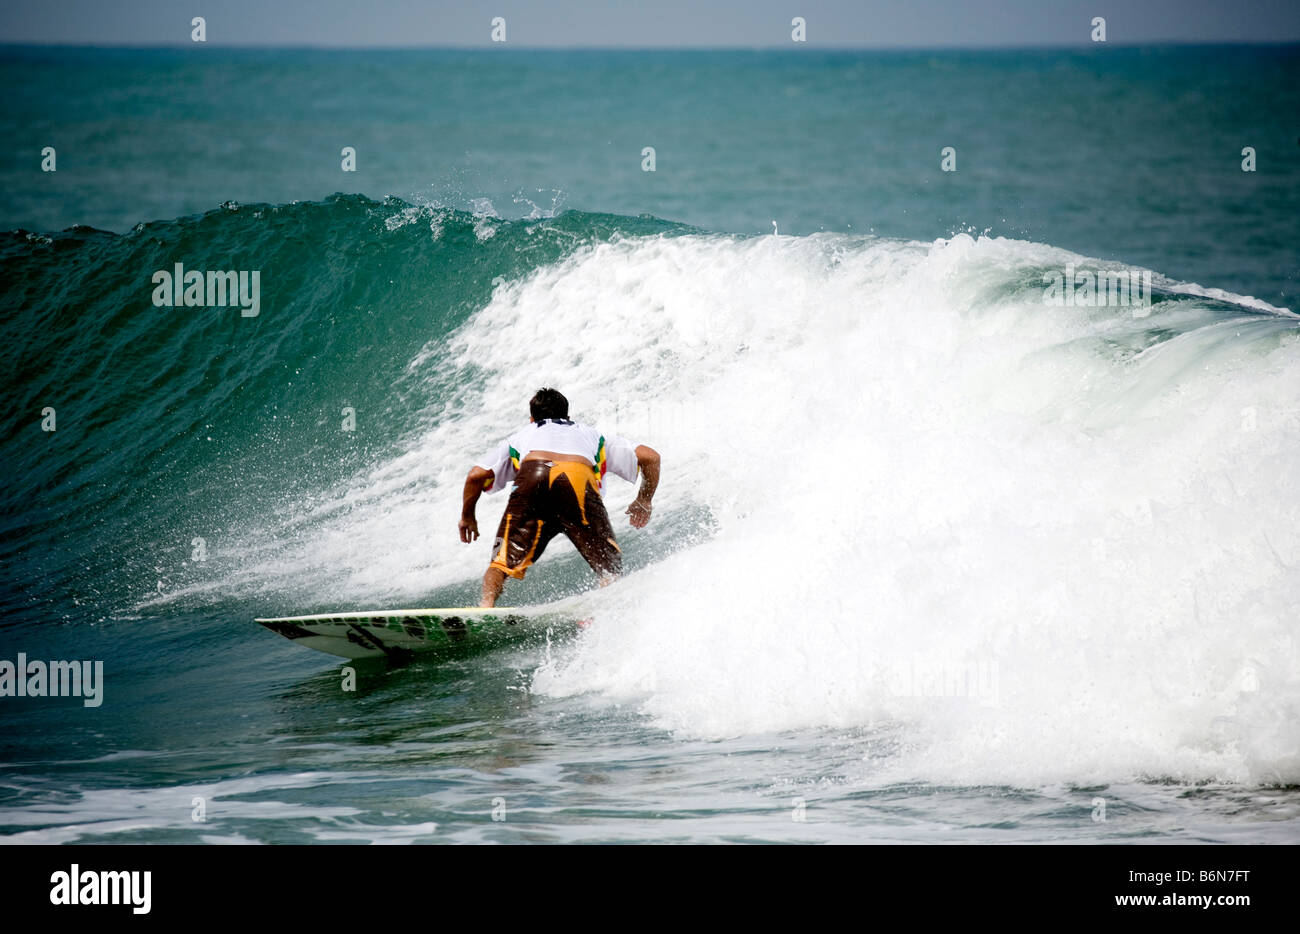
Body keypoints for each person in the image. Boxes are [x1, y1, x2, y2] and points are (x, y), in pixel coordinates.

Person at [459, 388, 660, 607]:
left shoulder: (521, 437)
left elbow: (476, 476)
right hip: (576, 481)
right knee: (609, 568)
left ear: (531, 419)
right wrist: (644, 499)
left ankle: (486, 606)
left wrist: (467, 517)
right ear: (568, 417)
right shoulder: (592, 434)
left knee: (501, 563)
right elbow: (651, 457)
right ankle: (606, 611)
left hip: (534, 474)